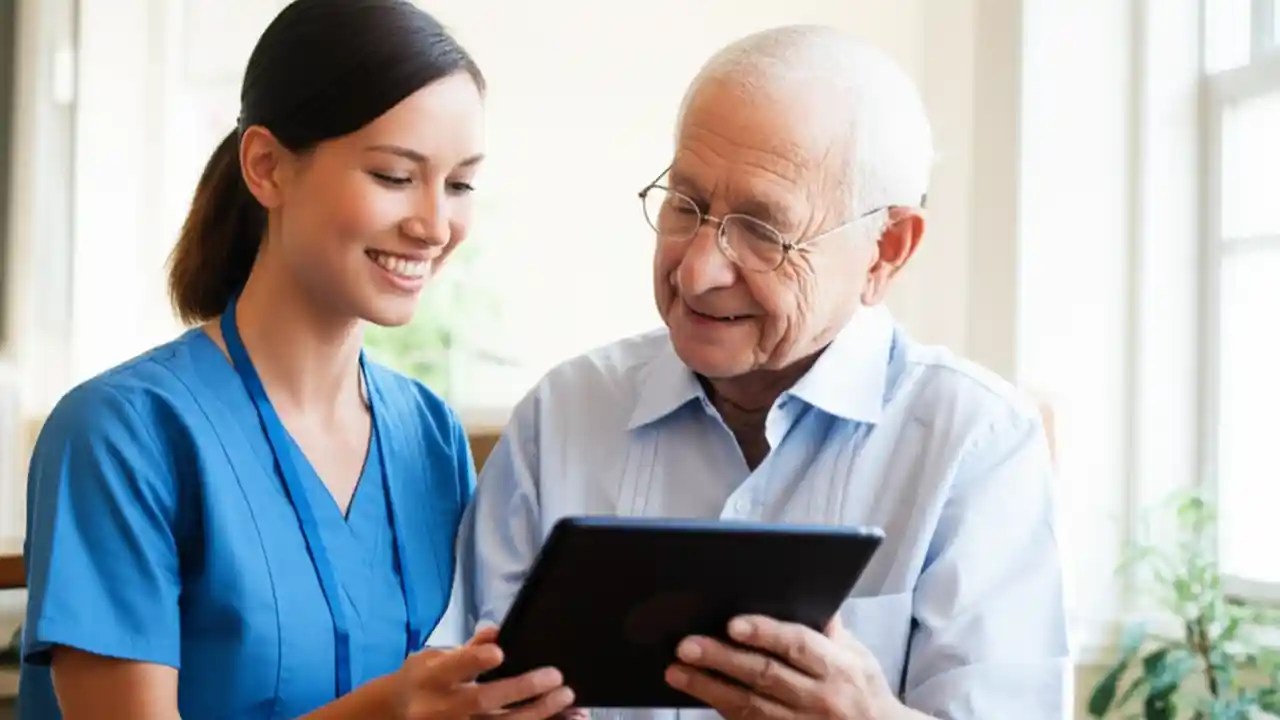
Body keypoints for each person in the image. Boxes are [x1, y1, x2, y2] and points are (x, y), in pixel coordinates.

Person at [462, 25, 1070, 720]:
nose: (696, 271)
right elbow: (465, 688)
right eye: (684, 205)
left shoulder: (978, 443)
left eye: (763, 230)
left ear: (886, 251)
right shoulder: (563, 413)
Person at [19, 1, 574, 718]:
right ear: (267, 168)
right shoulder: (120, 435)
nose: (435, 225)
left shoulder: (431, 437)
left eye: (460, 184)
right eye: (394, 175)